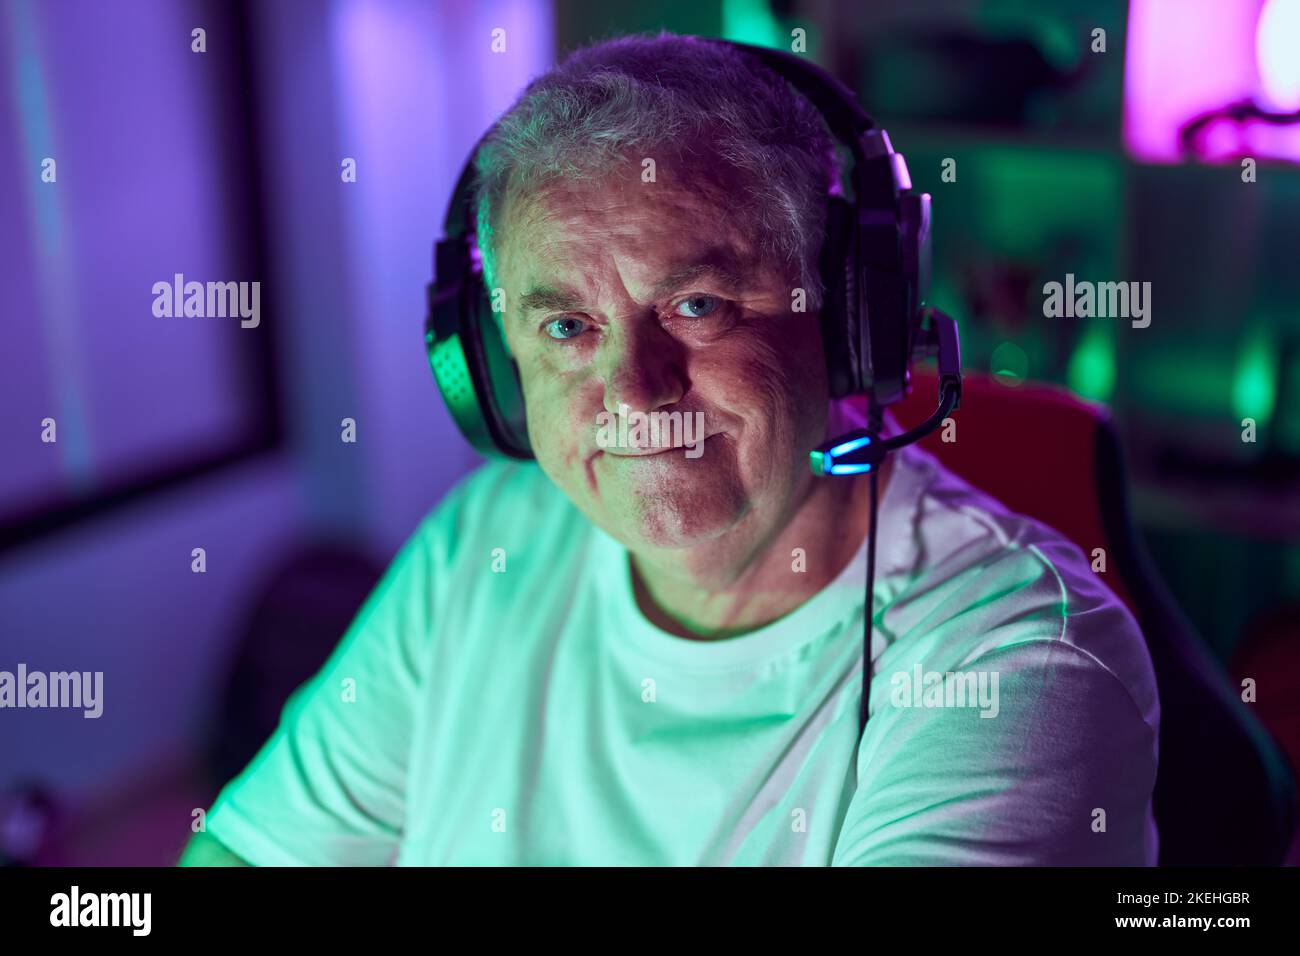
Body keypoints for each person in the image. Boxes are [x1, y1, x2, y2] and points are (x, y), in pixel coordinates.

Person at [180, 32, 1159, 867]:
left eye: (697, 305)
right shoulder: (485, 536)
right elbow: (250, 851)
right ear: (490, 360)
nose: (633, 389)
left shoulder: (1018, 656)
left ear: (853, 318)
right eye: (565, 327)